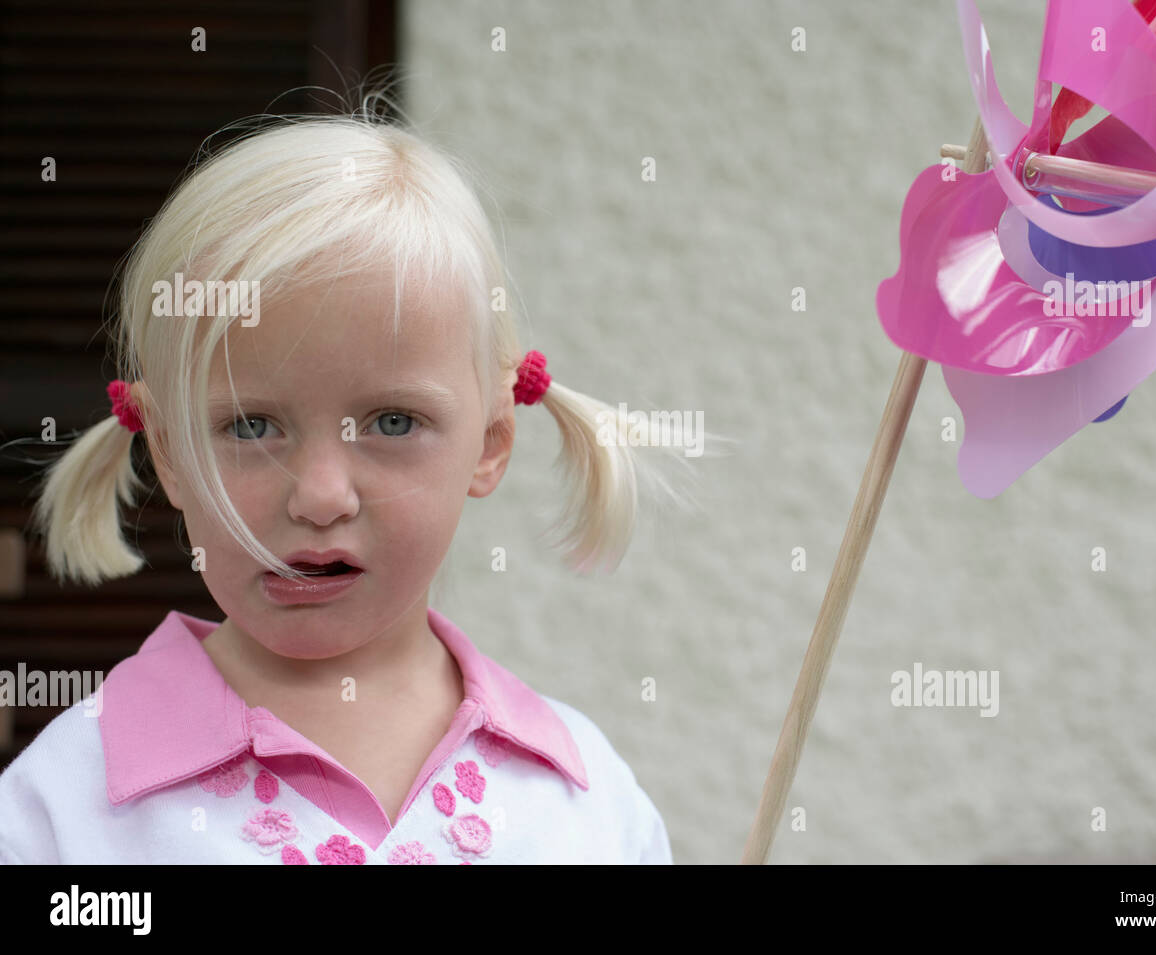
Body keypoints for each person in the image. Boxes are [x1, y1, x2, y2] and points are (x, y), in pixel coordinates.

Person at [0, 91, 720, 864]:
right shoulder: (60, 807)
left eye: (393, 423)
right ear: (170, 452)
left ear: (490, 443)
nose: (319, 496)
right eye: (250, 425)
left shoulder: (587, 801)